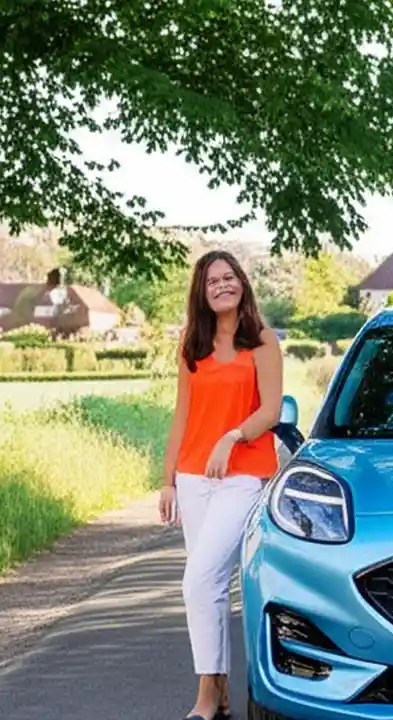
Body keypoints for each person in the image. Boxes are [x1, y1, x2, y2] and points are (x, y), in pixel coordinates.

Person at [159, 250, 283, 720]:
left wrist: (231, 437)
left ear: (242, 284)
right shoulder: (193, 346)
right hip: (193, 478)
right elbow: (182, 415)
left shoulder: (263, 341)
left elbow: (270, 411)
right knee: (207, 585)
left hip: (243, 475)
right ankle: (220, 687)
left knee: (199, 581)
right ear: (202, 292)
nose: (222, 285)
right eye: (212, 281)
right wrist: (168, 478)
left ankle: (205, 698)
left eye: (229, 277)